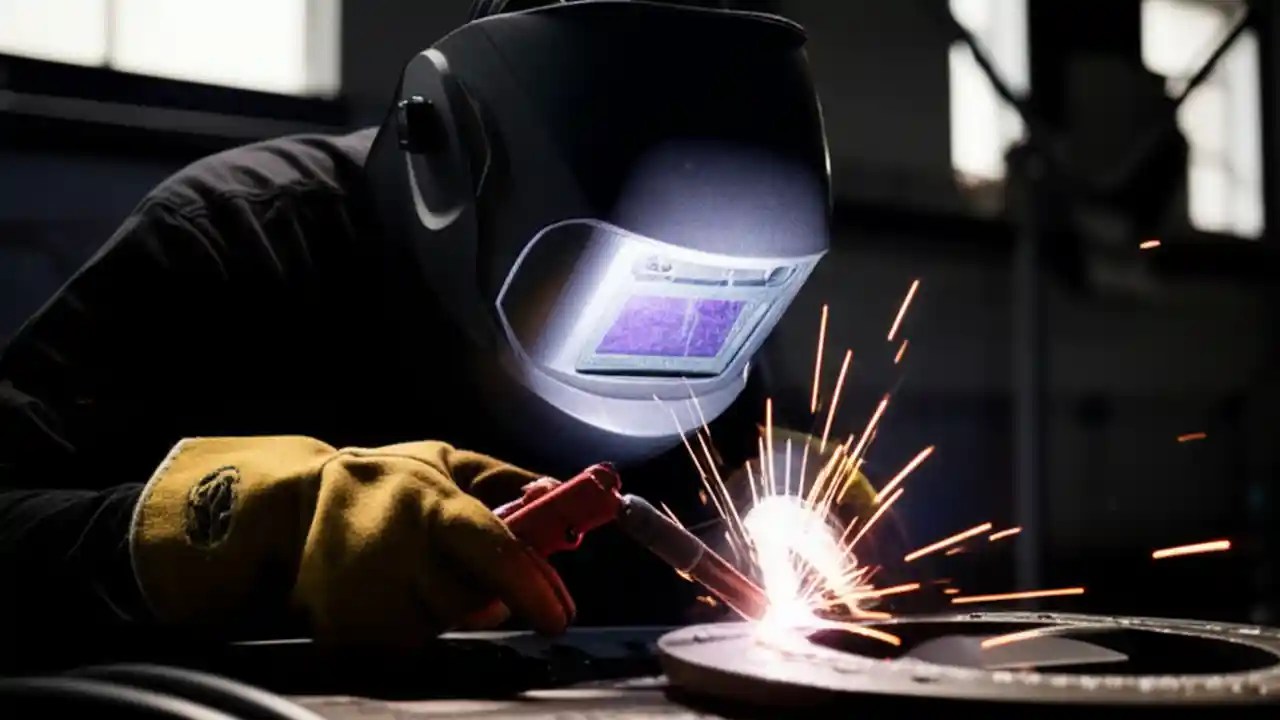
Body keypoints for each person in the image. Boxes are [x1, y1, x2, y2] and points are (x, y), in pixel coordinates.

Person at [0, 0, 873, 664]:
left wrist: (780, 497)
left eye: (723, 310)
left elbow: (728, 504)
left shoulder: (709, 324)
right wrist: (229, 530)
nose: (676, 341)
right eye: (627, 287)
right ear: (453, 177)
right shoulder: (238, 242)